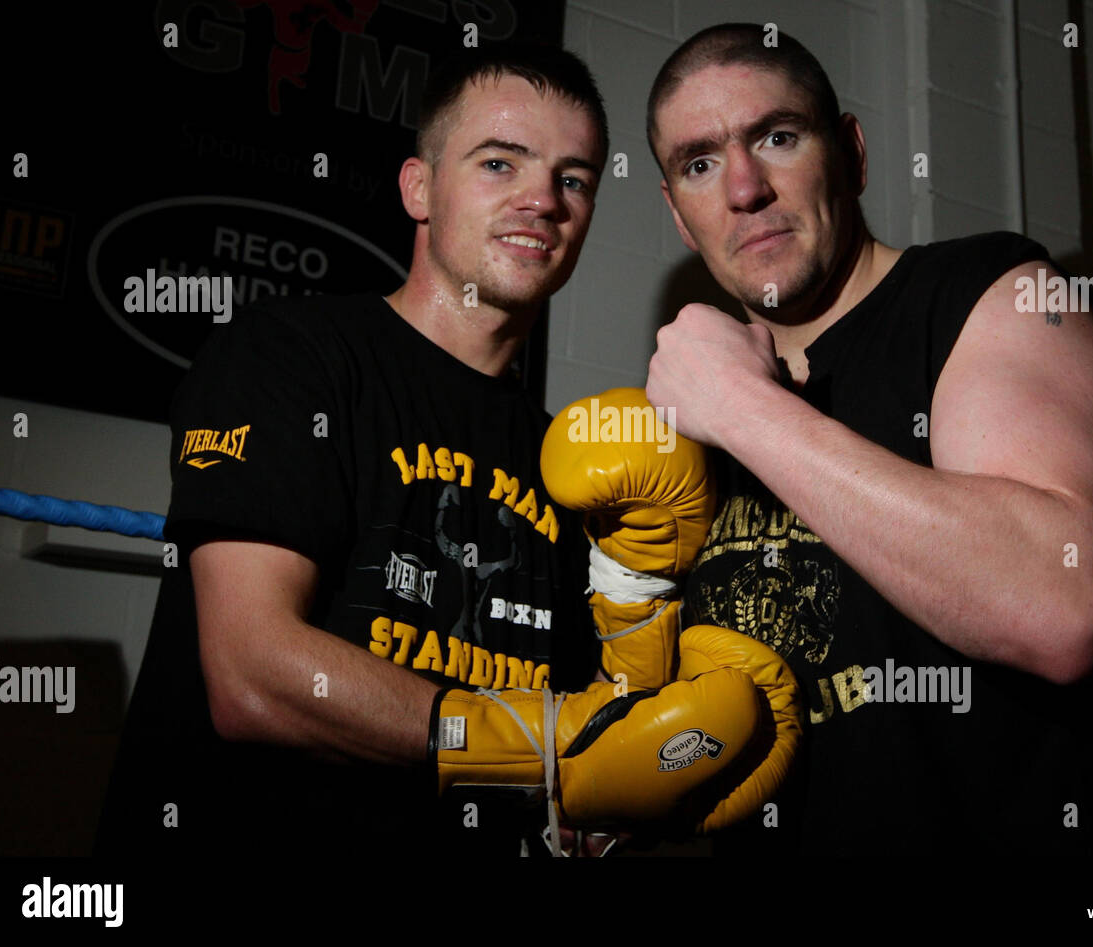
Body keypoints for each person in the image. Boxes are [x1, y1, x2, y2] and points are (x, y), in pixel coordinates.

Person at [95, 43, 794, 859]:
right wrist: (541, 742)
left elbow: (589, 752)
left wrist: (617, 789)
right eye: (501, 163)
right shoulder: (288, 357)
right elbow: (253, 674)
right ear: (418, 187)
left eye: (573, 180)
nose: (543, 199)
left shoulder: (573, 459)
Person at [642, 24, 1093, 855]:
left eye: (777, 137)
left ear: (853, 153)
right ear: (680, 215)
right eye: (700, 164)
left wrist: (744, 409)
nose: (744, 188)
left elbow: (1061, 604)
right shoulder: (686, 438)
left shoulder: (998, 296)